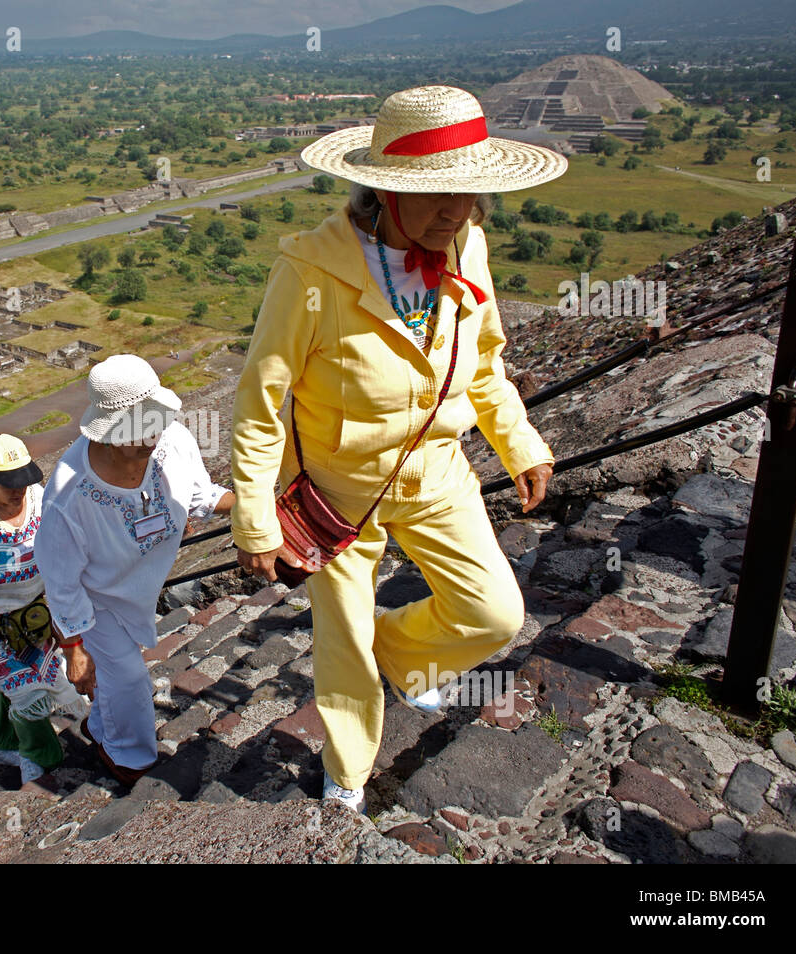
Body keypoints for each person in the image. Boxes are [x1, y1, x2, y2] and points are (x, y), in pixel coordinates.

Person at [229, 85, 563, 812]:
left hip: (438, 470)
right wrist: (255, 517)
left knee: (495, 615)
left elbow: (483, 363)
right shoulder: (313, 272)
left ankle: (401, 654)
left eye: (470, 194)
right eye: (440, 194)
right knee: (340, 639)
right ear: (383, 188)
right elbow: (261, 400)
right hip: (335, 491)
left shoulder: (467, 245)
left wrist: (520, 442)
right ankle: (348, 770)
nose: (458, 211)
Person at [35, 354, 234, 785]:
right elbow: (62, 583)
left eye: (153, 425)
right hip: (96, 601)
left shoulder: (173, 440)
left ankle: (103, 730)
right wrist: (74, 649)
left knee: (119, 680)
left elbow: (201, 495)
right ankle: (132, 763)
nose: (149, 438)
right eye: (135, 430)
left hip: (139, 590)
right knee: (128, 682)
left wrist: (253, 509)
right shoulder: (69, 499)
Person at [0, 434, 86, 788]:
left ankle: (2, 743)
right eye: (8, 483)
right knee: (31, 698)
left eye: (23, 479)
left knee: (56, 684)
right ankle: (41, 762)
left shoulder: (39, 499)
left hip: (35, 618)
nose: (18, 490)